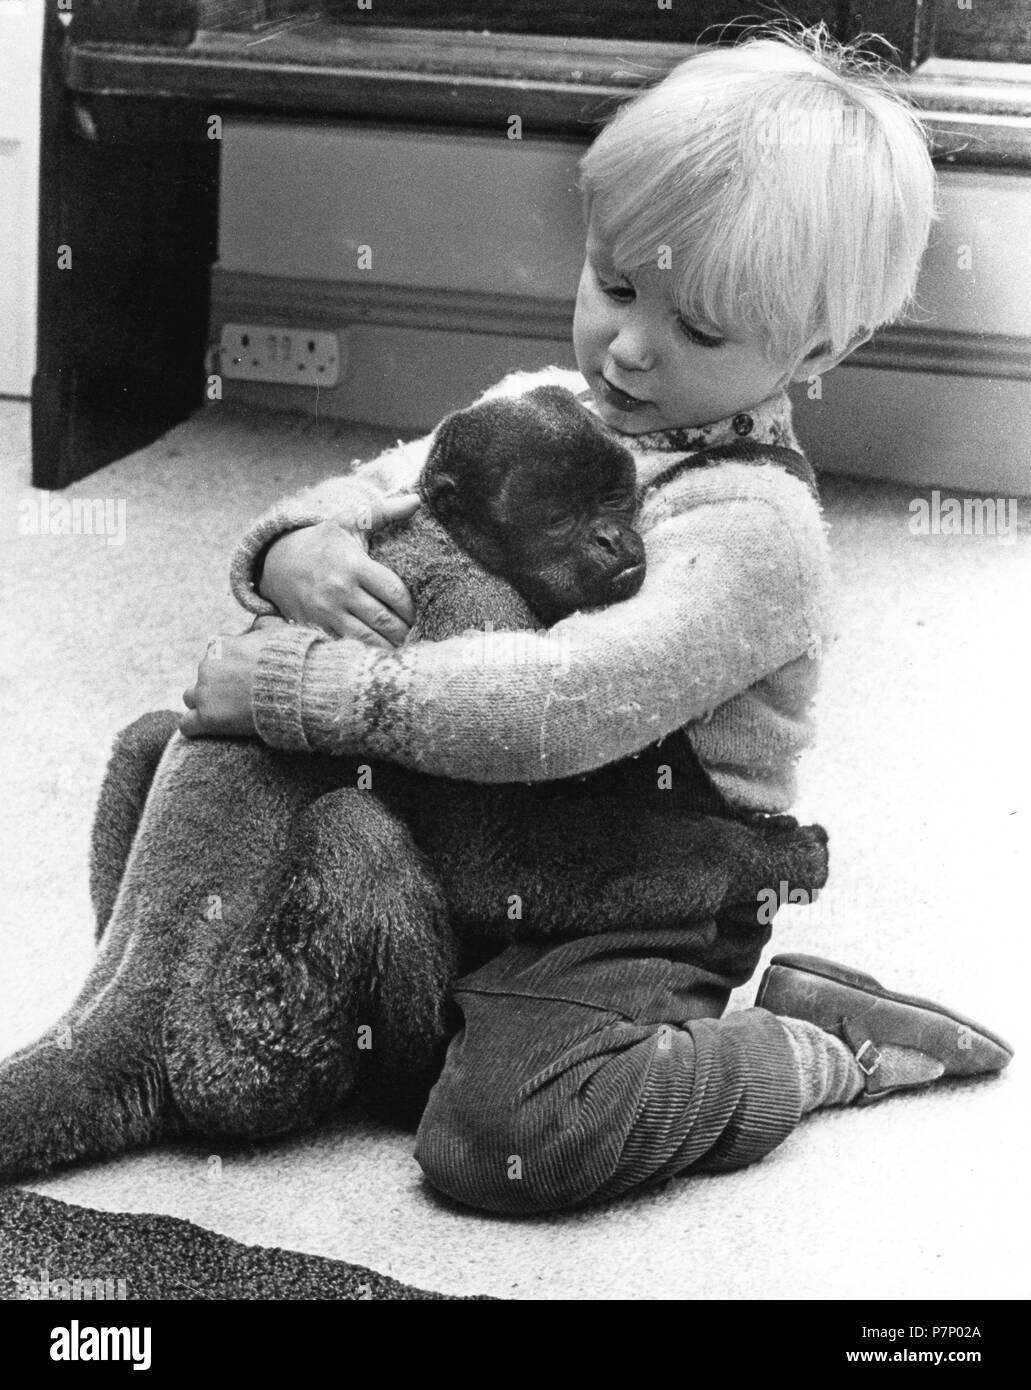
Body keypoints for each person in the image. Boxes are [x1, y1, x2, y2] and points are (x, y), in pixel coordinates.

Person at [182, 27, 1012, 1214]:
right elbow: (383, 486)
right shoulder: (546, 406)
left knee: (499, 1136)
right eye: (615, 284)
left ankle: (813, 1048)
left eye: (698, 331)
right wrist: (300, 544)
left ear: (815, 350)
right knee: (224, 800)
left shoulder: (754, 529)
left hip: (646, 881)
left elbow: (559, 708)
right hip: (484, 831)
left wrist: (309, 688)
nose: (626, 346)